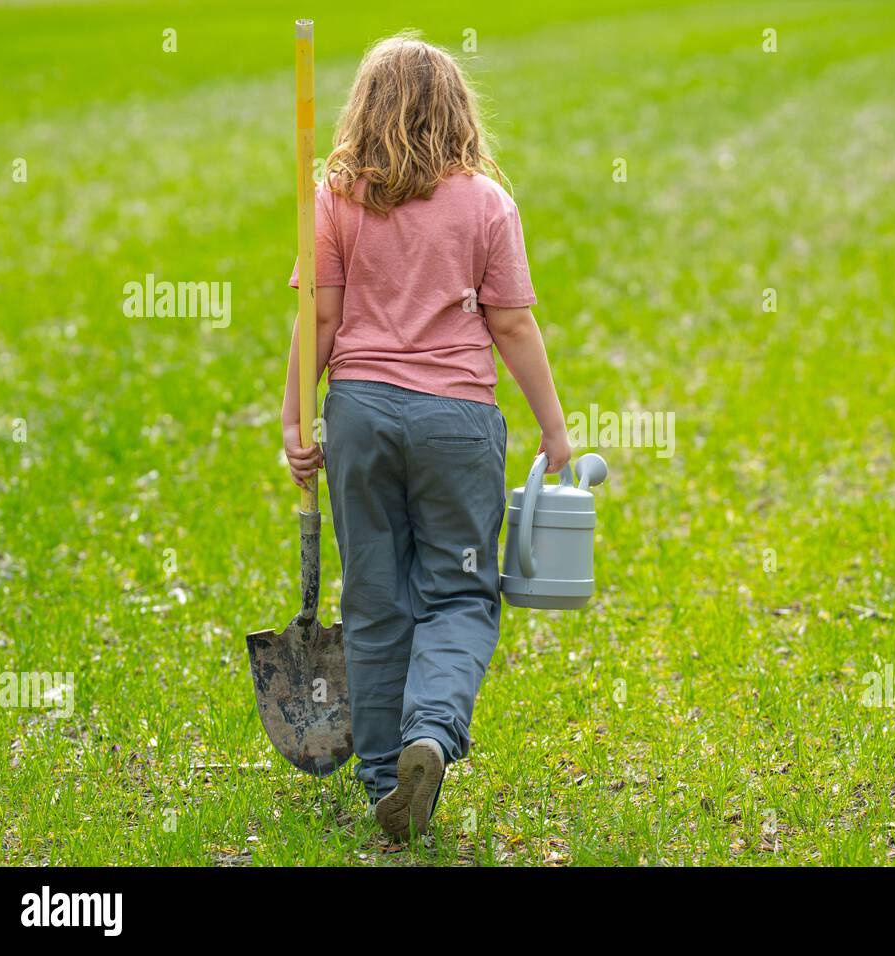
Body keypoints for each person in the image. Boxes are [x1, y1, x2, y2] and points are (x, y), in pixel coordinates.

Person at [281, 31, 571, 837]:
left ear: (363, 111)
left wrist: (295, 418)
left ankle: (384, 777)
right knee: (460, 592)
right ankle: (429, 734)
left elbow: (323, 319)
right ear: (459, 114)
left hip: (361, 417)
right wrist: (553, 427)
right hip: (456, 423)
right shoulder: (486, 202)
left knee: (373, 600)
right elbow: (510, 325)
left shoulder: (333, 197)